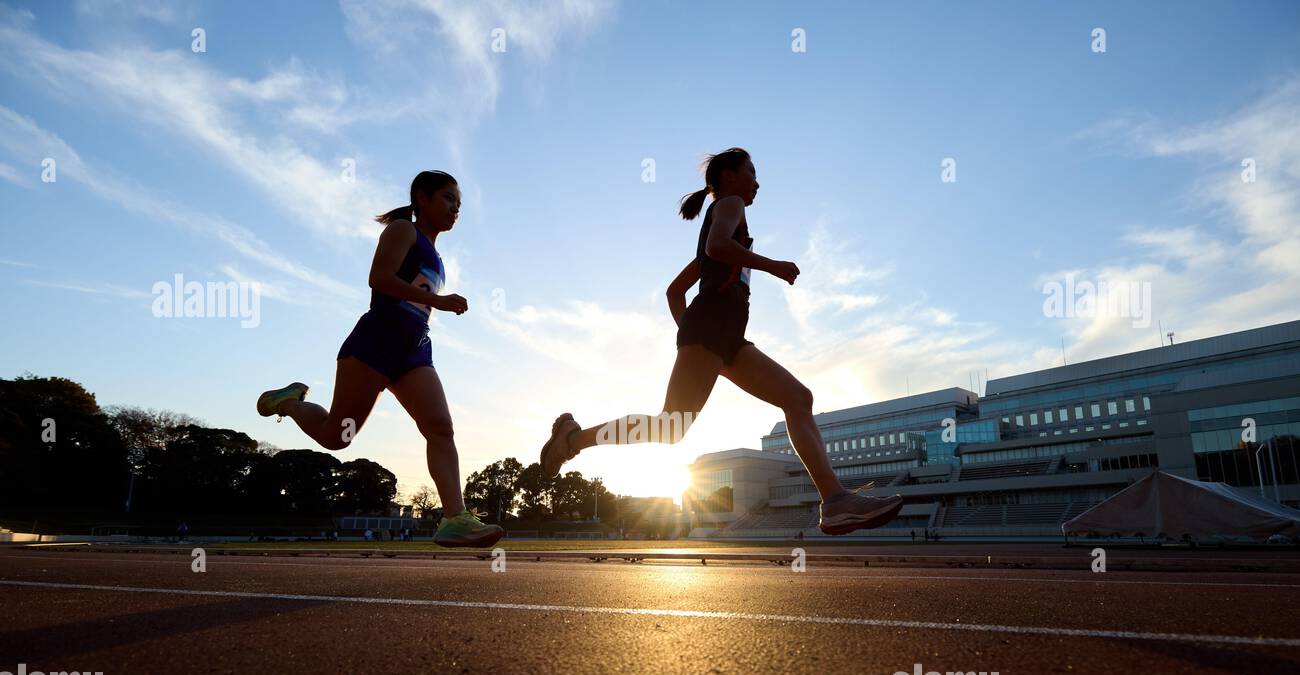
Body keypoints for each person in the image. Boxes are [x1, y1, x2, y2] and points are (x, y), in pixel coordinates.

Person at [539, 147, 903, 535]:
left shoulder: (724, 228)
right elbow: (714, 250)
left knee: (798, 399)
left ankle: (834, 502)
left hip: (725, 337)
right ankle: (573, 440)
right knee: (669, 428)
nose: (757, 182)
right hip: (713, 330)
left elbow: (675, 291)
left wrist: (693, 334)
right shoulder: (730, 205)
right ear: (729, 177)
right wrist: (771, 267)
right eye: (751, 172)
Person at [255, 170, 502, 549]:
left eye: (460, 203)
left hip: (414, 348)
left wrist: (432, 304)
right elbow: (378, 278)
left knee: (439, 425)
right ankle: (288, 402)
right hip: (375, 342)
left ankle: (455, 518)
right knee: (338, 437)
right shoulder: (403, 230)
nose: (456, 208)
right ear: (423, 197)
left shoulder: (437, 256)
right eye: (449, 198)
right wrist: (438, 300)